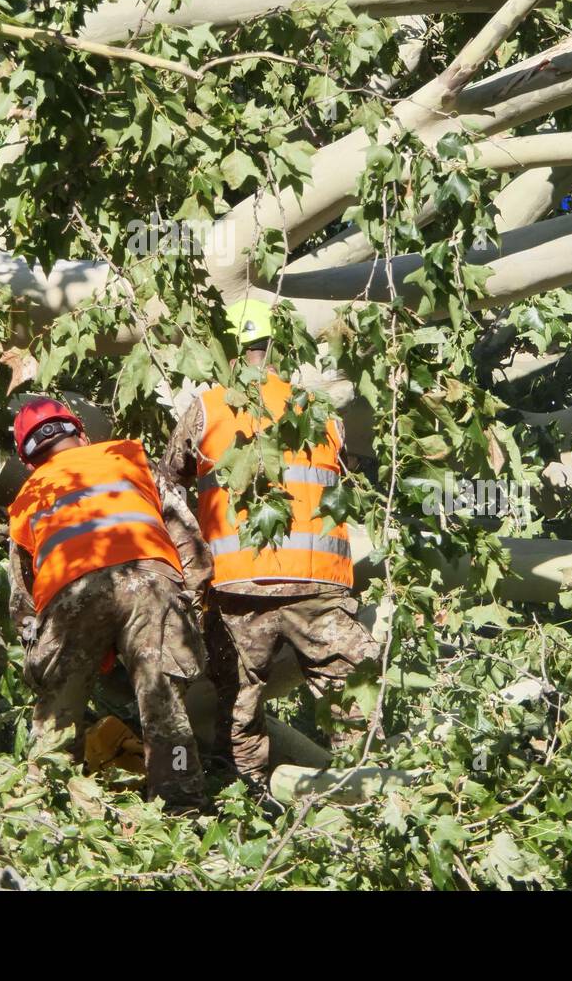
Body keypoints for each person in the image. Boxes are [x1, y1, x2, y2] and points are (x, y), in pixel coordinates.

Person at [162, 300, 379, 792]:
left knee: (239, 706)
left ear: (230, 353)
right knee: (354, 694)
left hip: (240, 586)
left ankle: (249, 798)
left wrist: (192, 558)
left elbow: (166, 485)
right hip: (317, 583)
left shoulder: (207, 408)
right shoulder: (320, 409)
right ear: (277, 350)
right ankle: (367, 796)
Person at [7, 397, 210, 808]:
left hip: (70, 595)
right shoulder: (129, 456)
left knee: (56, 721)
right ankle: (182, 811)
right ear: (80, 433)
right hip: (151, 583)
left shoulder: (26, 498)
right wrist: (191, 601)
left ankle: (41, 814)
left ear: (30, 461)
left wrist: (48, 656)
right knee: (164, 708)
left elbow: (22, 601)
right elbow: (188, 536)